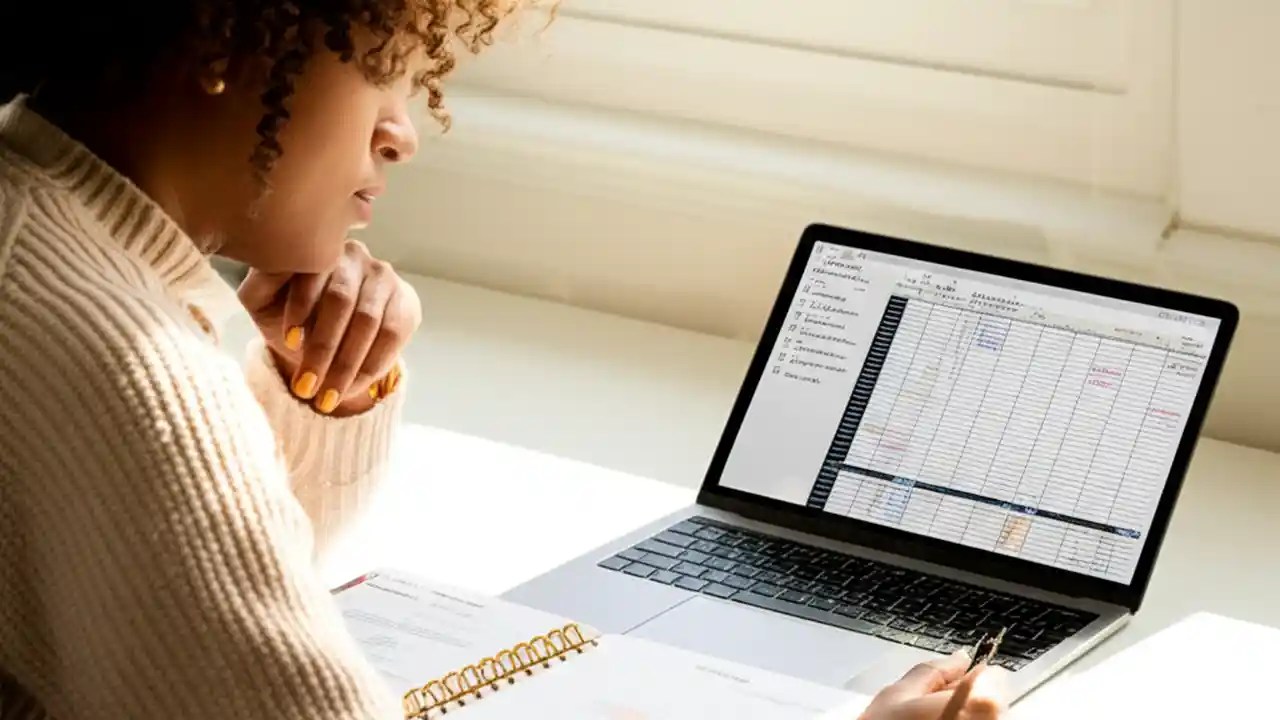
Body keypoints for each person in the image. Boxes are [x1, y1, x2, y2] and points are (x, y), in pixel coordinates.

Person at [0, 2, 1006, 718]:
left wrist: (325, 391)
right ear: (226, 30)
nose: (402, 133)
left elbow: (182, 624)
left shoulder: (40, 224)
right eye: (382, 57)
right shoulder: (131, 364)